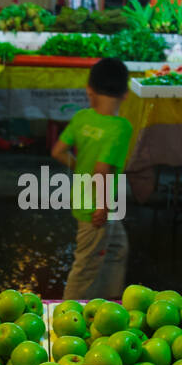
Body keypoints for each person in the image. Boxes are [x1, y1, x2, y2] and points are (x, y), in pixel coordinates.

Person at [53, 57, 133, 299]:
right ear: (126, 94)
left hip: (83, 197)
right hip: (97, 206)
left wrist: (80, 169)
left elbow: (58, 151)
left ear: (89, 89)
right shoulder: (120, 128)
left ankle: (108, 304)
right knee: (85, 267)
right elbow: (102, 170)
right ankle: (67, 316)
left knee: (117, 249)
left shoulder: (81, 118)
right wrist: (102, 204)